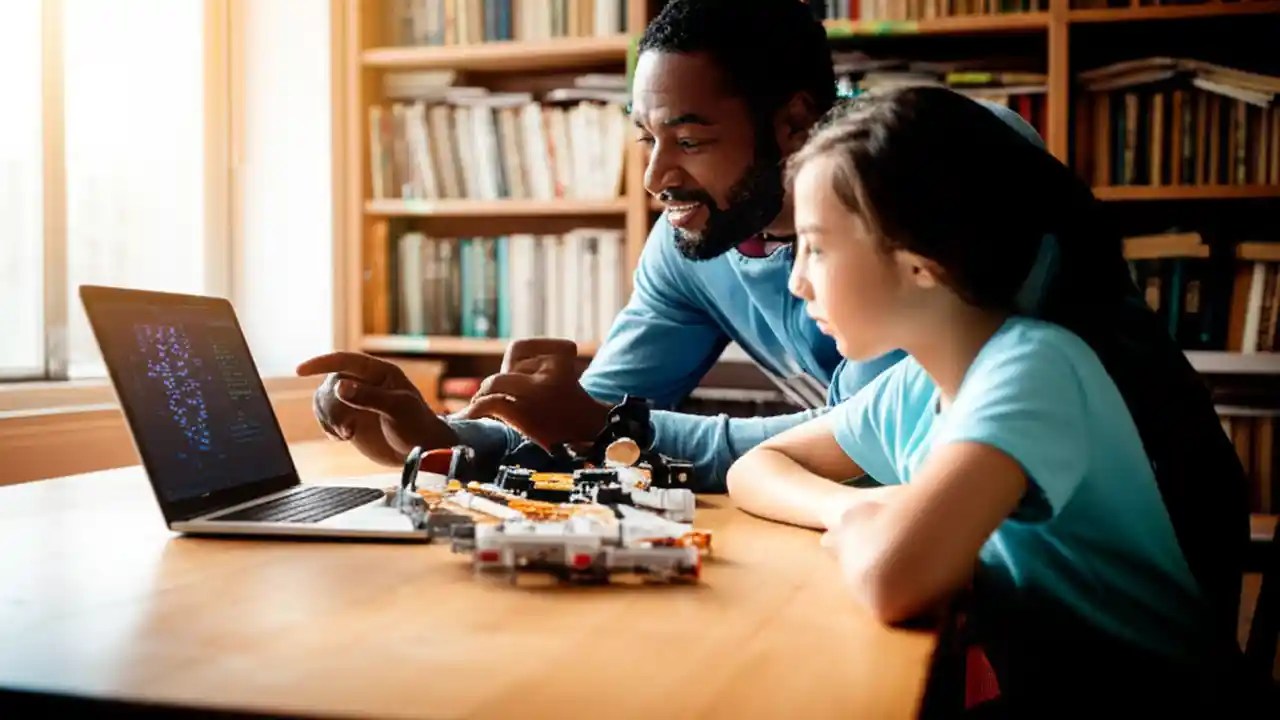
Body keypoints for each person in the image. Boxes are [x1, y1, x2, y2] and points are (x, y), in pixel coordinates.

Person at [296, 0, 1047, 491]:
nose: (657, 176)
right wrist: (442, 437)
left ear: (793, 123)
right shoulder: (689, 242)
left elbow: (876, 437)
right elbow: (593, 420)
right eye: (646, 138)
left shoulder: (928, 174)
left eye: (689, 139)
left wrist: (604, 429)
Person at [725, 85, 1252, 713]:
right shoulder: (915, 385)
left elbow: (895, 580)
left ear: (920, 263)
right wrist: (853, 510)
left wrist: (877, 522)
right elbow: (752, 468)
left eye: (817, 246)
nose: (796, 279)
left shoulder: (1033, 368)